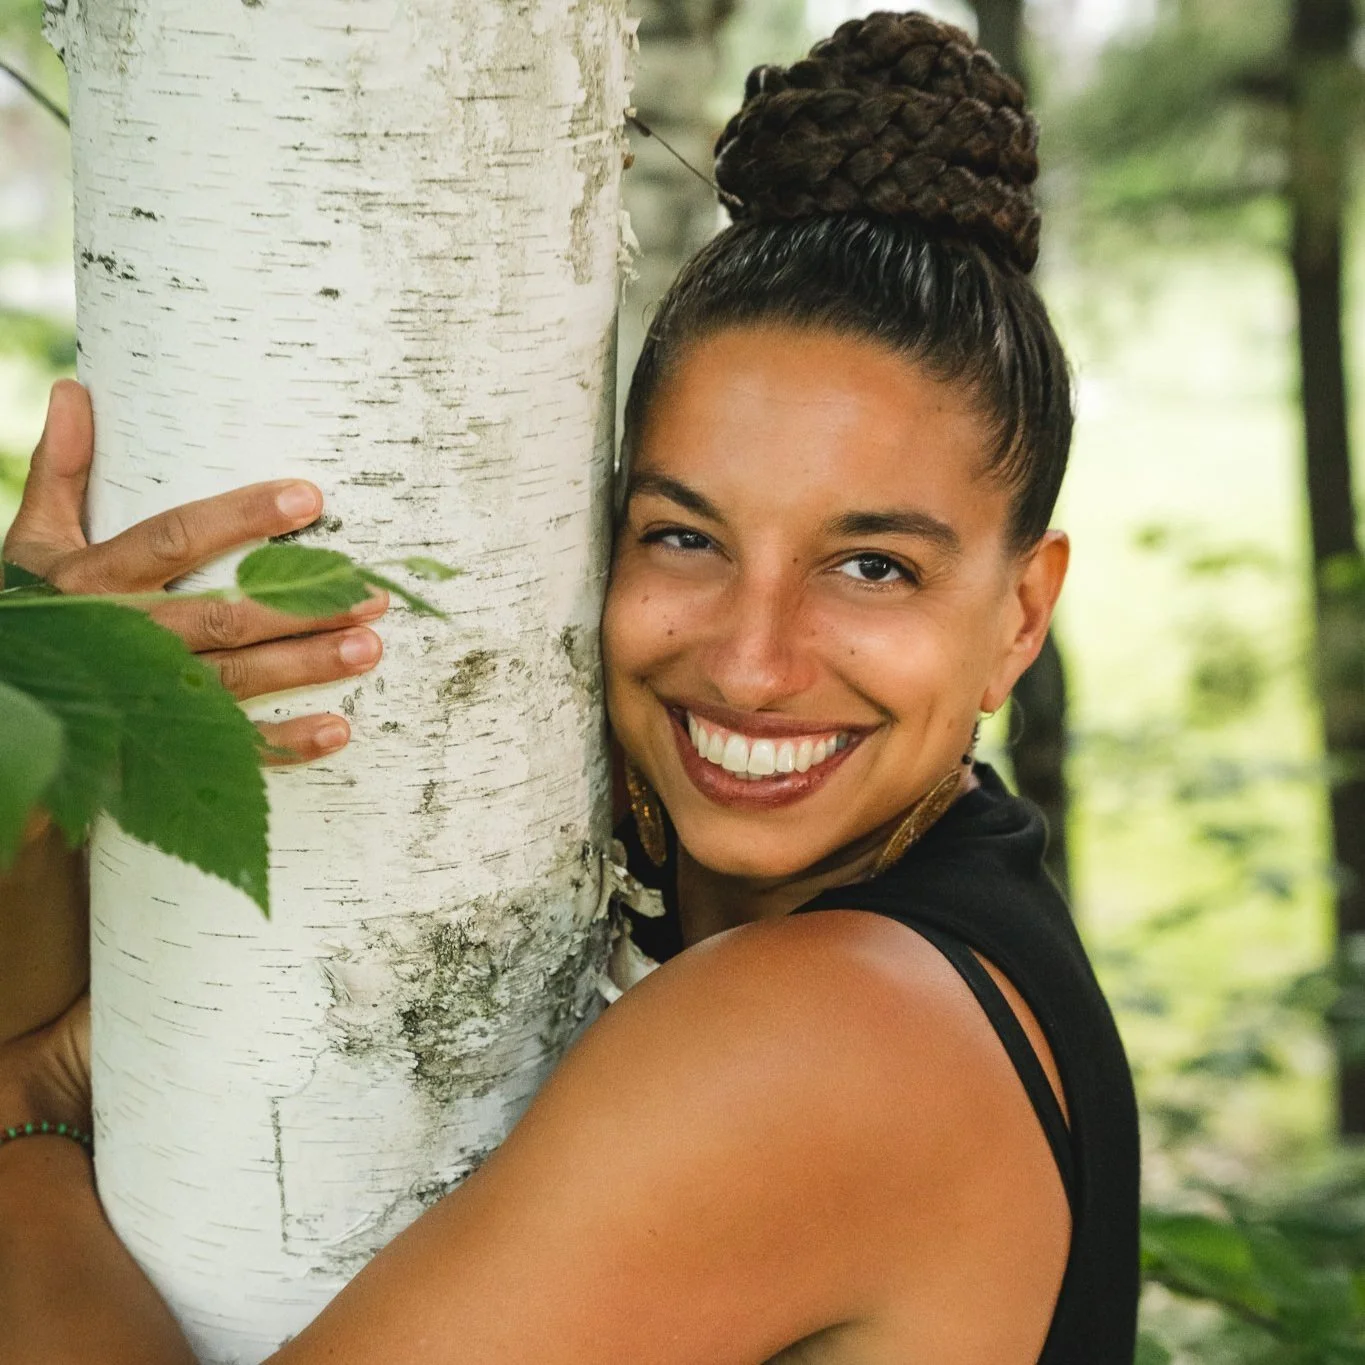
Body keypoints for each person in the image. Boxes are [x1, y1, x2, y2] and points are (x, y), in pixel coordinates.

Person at [0, 12, 1139, 1363]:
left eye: (873, 568)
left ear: (1021, 615)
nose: (751, 662)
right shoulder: (865, 916)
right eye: (685, 537)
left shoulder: (836, 1029)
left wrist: (20, 1132)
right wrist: (45, 742)